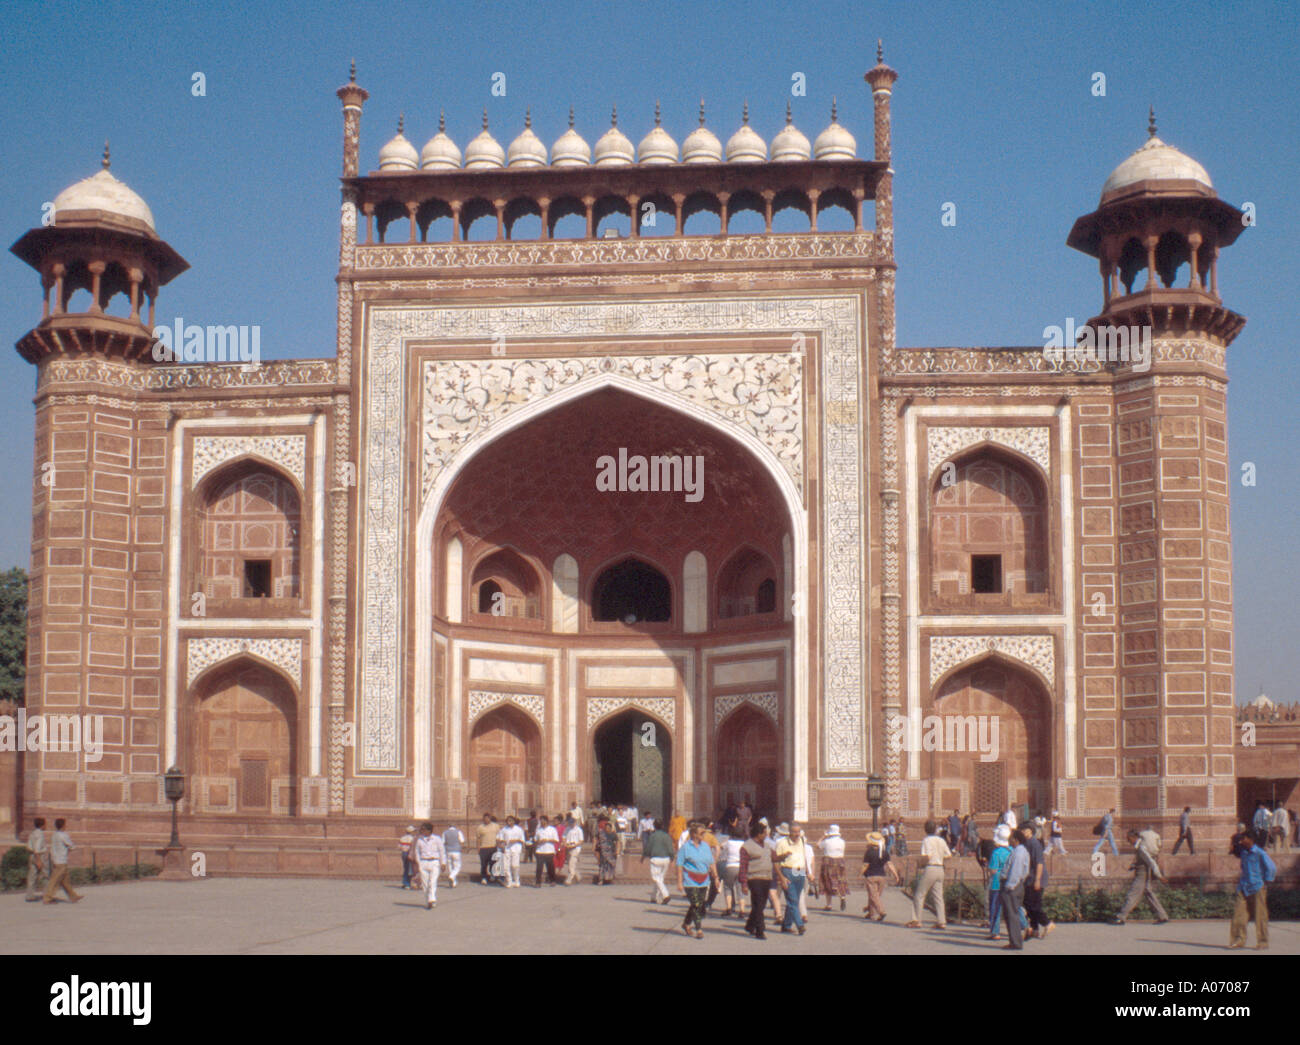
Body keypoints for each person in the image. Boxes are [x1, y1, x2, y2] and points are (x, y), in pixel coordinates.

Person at [1112, 828, 1169, 925]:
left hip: (1142, 875)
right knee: (1149, 894)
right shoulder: (1139, 847)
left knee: (1133, 894)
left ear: (1133, 837)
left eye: (1128, 838)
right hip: (1143, 872)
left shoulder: (1141, 848)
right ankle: (1163, 916)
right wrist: (1134, 865)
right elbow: (1144, 860)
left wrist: (1159, 876)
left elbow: (1151, 862)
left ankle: (1121, 917)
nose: (1128, 841)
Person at [1230, 833, 1275, 949]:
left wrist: (1266, 881)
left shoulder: (1260, 853)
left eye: (1243, 839)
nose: (1241, 842)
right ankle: (1239, 939)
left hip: (1257, 886)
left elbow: (1271, 868)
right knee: (1239, 914)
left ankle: (1263, 941)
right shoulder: (1244, 853)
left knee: (1260, 915)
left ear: (1250, 839)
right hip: (1244, 886)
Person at [676, 821, 720, 939]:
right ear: (694, 834)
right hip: (690, 880)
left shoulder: (705, 846)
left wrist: (716, 878)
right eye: (701, 833)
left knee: (698, 905)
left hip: (704, 880)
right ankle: (699, 929)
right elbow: (679, 864)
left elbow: (711, 863)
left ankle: (686, 924)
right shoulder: (686, 847)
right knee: (695, 903)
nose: (704, 835)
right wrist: (679, 882)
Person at [906, 819, 951, 929]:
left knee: (919, 895)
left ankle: (916, 920)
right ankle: (941, 921)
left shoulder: (927, 840)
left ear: (925, 830)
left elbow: (927, 856)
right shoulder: (941, 840)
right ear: (935, 829)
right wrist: (940, 858)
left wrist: (920, 864)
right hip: (940, 868)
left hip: (930, 868)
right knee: (938, 896)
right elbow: (948, 855)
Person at [774, 822, 813, 935]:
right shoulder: (782, 843)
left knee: (793, 899)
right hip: (787, 870)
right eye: (794, 832)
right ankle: (800, 925)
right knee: (792, 900)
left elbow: (804, 856)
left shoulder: (802, 841)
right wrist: (781, 877)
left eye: (798, 832)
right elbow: (776, 862)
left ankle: (786, 925)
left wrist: (807, 871)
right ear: (789, 832)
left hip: (799, 871)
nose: (796, 834)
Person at [738, 821, 774, 940]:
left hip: (766, 877)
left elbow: (773, 857)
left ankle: (750, 925)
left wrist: (784, 856)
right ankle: (760, 930)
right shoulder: (747, 846)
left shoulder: (767, 845)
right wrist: (744, 883)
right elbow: (743, 865)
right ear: (758, 833)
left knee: (761, 905)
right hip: (754, 878)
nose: (766, 835)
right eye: (764, 833)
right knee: (758, 903)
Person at [1021, 822, 1054, 939]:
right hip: (1030, 878)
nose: (1023, 832)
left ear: (1030, 831)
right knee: (1030, 903)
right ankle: (1034, 929)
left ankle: (1047, 923)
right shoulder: (1026, 843)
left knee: (1032, 905)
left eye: (1025, 829)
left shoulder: (1034, 844)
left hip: (1036, 878)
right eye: (1022, 830)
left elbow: (1039, 863)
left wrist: (1037, 880)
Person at [1000, 829, 1030, 950]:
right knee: (1012, 913)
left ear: (1016, 840)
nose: (1009, 840)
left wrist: (1010, 885)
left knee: (1011, 914)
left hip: (1012, 886)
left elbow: (1015, 871)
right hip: (1017, 885)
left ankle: (1015, 942)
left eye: (1011, 838)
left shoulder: (1018, 853)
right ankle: (1014, 941)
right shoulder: (1021, 851)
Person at [861, 830, 899, 922]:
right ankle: (871, 912)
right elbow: (890, 864)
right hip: (881, 876)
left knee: (874, 896)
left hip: (871, 876)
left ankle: (881, 912)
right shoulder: (884, 852)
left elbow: (865, 865)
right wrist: (896, 875)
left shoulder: (869, 852)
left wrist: (861, 873)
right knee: (876, 895)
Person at [42, 818, 81, 905]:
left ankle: (73, 896)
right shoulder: (64, 835)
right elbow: (71, 846)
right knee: (54, 880)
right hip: (61, 860)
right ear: (63, 825)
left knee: (65, 880)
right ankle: (48, 898)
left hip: (55, 859)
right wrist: (68, 849)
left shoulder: (54, 835)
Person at [986, 824, 1012, 940]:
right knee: (1013, 907)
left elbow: (993, 870)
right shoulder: (1012, 850)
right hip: (1010, 882)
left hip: (996, 883)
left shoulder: (996, 853)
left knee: (995, 908)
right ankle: (1024, 926)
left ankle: (995, 932)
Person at [411, 821, 445, 909]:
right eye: (421, 830)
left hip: (434, 862)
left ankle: (432, 899)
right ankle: (428, 901)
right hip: (423, 862)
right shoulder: (419, 840)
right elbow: (417, 852)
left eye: (423, 829)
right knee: (425, 883)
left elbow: (442, 851)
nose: (422, 831)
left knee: (432, 881)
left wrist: (443, 863)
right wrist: (419, 863)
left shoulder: (437, 839)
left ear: (429, 830)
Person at [642, 818, 675, 904]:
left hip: (656, 859)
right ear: (663, 826)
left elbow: (648, 848)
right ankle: (654, 897)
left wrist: (644, 856)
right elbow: (670, 848)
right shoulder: (667, 836)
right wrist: (672, 857)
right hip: (666, 859)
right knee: (660, 879)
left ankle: (666, 895)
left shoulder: (652, 836)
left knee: (657, 878)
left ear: (654, 826)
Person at [818, 824, 849, 911]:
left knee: (827, 881)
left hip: (828, 861)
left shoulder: (827, 841)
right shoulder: (842, 841)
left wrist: (823, 836)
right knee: (840, 880)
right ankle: (842, 896)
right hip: (840, 862)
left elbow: (818, 845)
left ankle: (829, 904)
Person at [719, 828, 746, 917]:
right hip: (740, 867)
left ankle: (729, 908)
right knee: (740, 889)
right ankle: (742, 910)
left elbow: (720, 846)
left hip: (730, 866)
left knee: (727, 887)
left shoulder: (729, 842)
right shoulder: (744, 844)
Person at [24, 817, 49, 902]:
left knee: (32, 876)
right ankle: (47, 896)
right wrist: (39, 860)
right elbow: (37, 848)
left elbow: (29, 846)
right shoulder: (40, 834)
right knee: (45, 876)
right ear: (42, 825)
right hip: (39, 855)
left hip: (32, 855)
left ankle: (29, 895)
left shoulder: (32, 833)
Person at [499, 815, 526, 887]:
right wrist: (502, 845)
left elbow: (522, 840)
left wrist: (516, 840)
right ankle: (509, 881)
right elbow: (501, 839)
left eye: (510, 821)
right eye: (508, 821)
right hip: (507, 849)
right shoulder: (504, 829)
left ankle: (516, 880)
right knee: (506, 866)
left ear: (514, 821)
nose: (509, 822)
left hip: (516, 849)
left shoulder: (519, 829)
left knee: (515, 865)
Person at [533, 814, 559, 886]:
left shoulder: (552, 829)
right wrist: (539, 842)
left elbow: (556, 840)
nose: (542, 822)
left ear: (547, 821)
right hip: (540, 851)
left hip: (549, 851)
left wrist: (547, 840)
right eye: (541, 821)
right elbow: (535, 840)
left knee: (550, 867)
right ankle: (538, 882)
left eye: (543, 821)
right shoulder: (538, 830)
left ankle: (552, 880)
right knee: (539, 868)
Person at [475, 813, 499, 885]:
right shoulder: (480, 827)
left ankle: (492, 875)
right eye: (484, 818)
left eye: (487, 818)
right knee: (483, 864)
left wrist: (498, 846)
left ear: (490, 818)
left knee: (493, 862)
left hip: (493, 847)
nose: (486, 820)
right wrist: (478, 848)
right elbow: (478, 839)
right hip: (484, 848)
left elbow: (499, 836)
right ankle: (484, 877)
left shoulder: (496, 826)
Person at [595, 819, 619, 885]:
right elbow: (596, 841)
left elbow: (617, 842)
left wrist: (617, 850)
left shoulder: (613, 834)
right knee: (602, 866)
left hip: (611, 852)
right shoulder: (601, 834)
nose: (607, 829)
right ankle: (601, 880)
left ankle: (610, 879)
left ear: (611, 828)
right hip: (603, 853)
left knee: (611, 866)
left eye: (609, 828)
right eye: (606, 828)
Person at [563, 816, 585, 885]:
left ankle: (569, 879)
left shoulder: (579, 830)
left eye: (572, 823)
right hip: (568, 847)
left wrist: (574, 845)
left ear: (575, 822)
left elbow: (581, 841)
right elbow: (563, 837)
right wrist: (565, 844)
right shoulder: (567, 829)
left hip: (576, 848)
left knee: (571, 863)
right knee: (570, 862)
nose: (571, 824)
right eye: (570, 823)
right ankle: (578, 876)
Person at [442, 822, 464, 887]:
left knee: (450, 866)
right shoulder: (458, 832)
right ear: (455, 826)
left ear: (449, 826)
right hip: (456, 851)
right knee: (457, 866)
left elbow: (443, 842)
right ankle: (451, 877)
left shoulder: (445, 832)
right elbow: (462, 841)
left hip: (448, 851)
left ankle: (453, 882)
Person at [398, 824, 415, 890]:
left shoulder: (402, 838)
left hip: (404, 853)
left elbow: (399, 847)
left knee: (406, 868)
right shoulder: (413, 838)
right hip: (410, 853)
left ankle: (405, 883)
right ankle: (408, 884)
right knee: (410, 869)